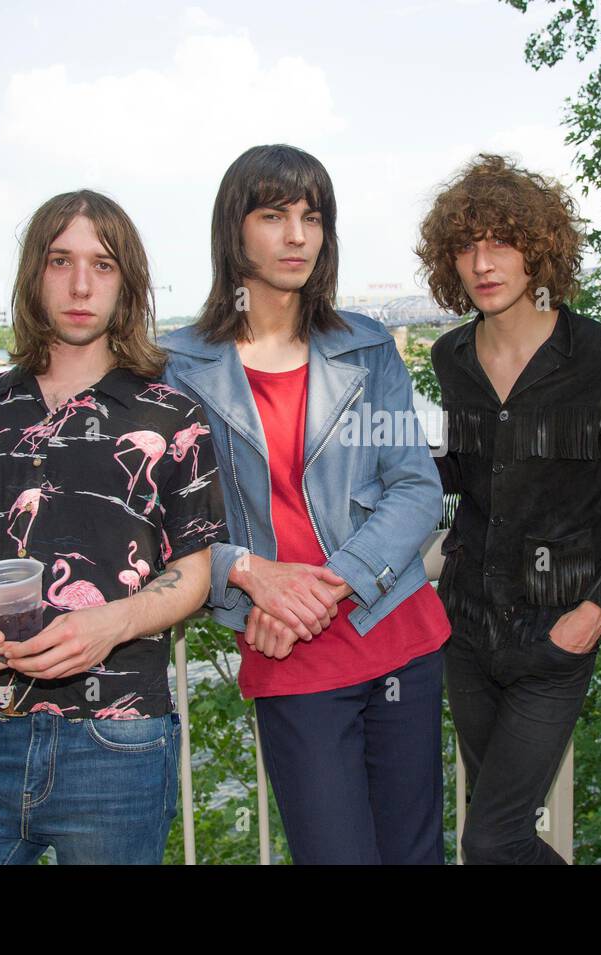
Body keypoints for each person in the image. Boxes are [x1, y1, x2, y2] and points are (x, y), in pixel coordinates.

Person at [0, 190, 227, 864]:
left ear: (127, 284)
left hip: (119, 745)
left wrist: (107, 623)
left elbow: (193, 572)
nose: (81, 284)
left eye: (103, 265)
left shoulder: (173, 415)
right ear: (33, 275)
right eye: (60, 261)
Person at [160, 144, 450, 865]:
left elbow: (417, 487)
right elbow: (163, 523)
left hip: (397, 635)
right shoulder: (177, 367)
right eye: (274, 215)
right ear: (235, 229)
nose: (297, 235)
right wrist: (253, 573)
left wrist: (331, 582)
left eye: (312, 217)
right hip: (285, 650)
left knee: (415, 856)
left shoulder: (366, 346)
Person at [417, 153, 601, 864]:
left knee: (490, 840)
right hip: (464, 630)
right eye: (466, 245)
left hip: (556, 634)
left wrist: (595, 614)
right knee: (507, 833)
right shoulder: (451, 357)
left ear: (541, 248)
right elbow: (468, 471)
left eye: (502, 240)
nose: (483, 261)